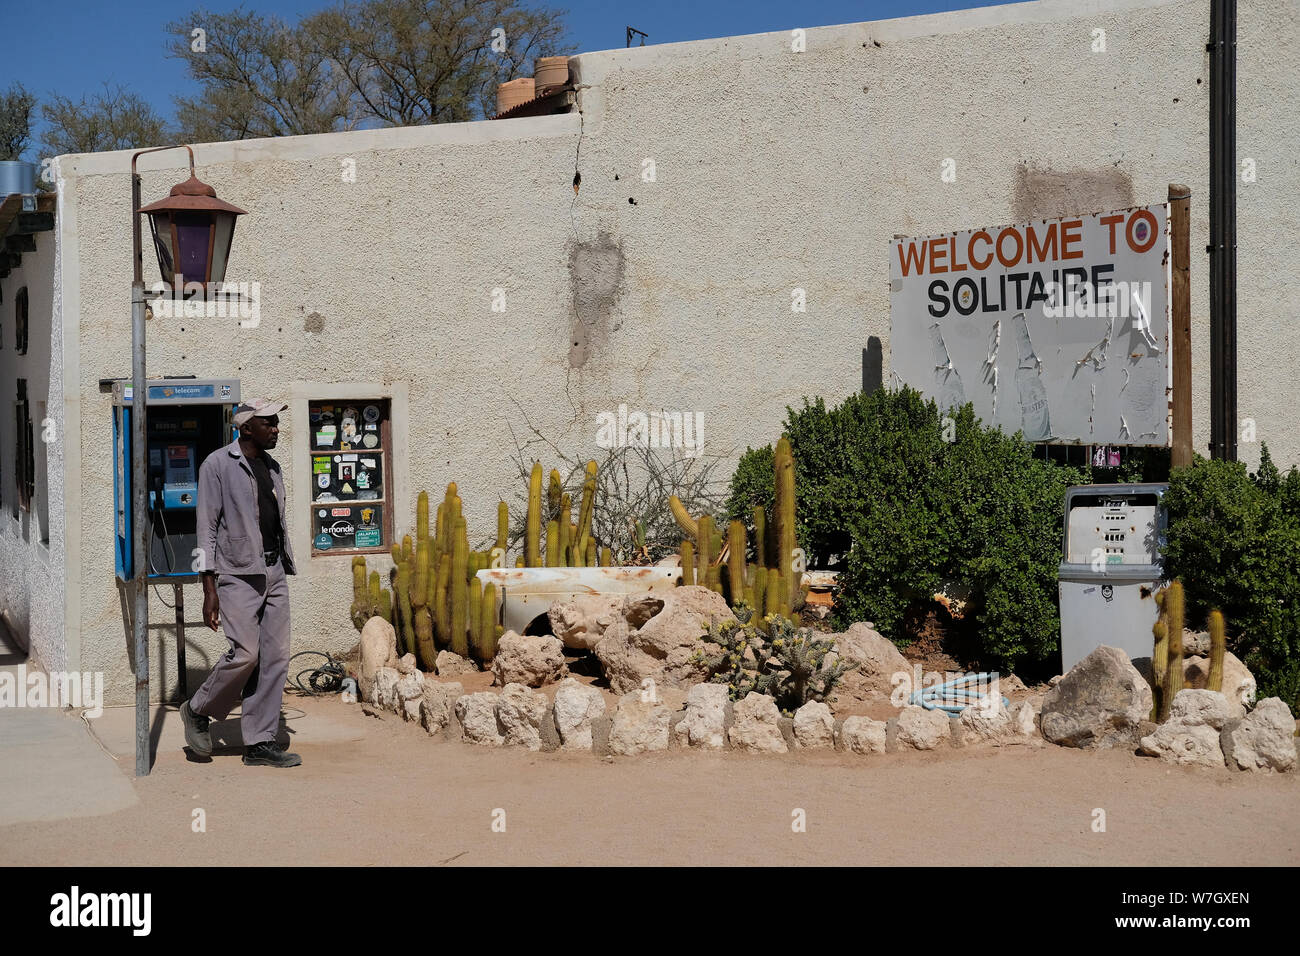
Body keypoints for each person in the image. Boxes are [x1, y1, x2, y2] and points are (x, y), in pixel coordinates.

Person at [179, 398, 301, 768]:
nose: (277, 429)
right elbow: (207, 528)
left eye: (277, 423)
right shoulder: (217, 465)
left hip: (274, 571)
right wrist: (209, 588)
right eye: (269, 423)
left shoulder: (272, 466)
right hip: (236, 575)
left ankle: (260, 743)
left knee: (276, 658)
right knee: (246, 653)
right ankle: (198, 708)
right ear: (246, 428)